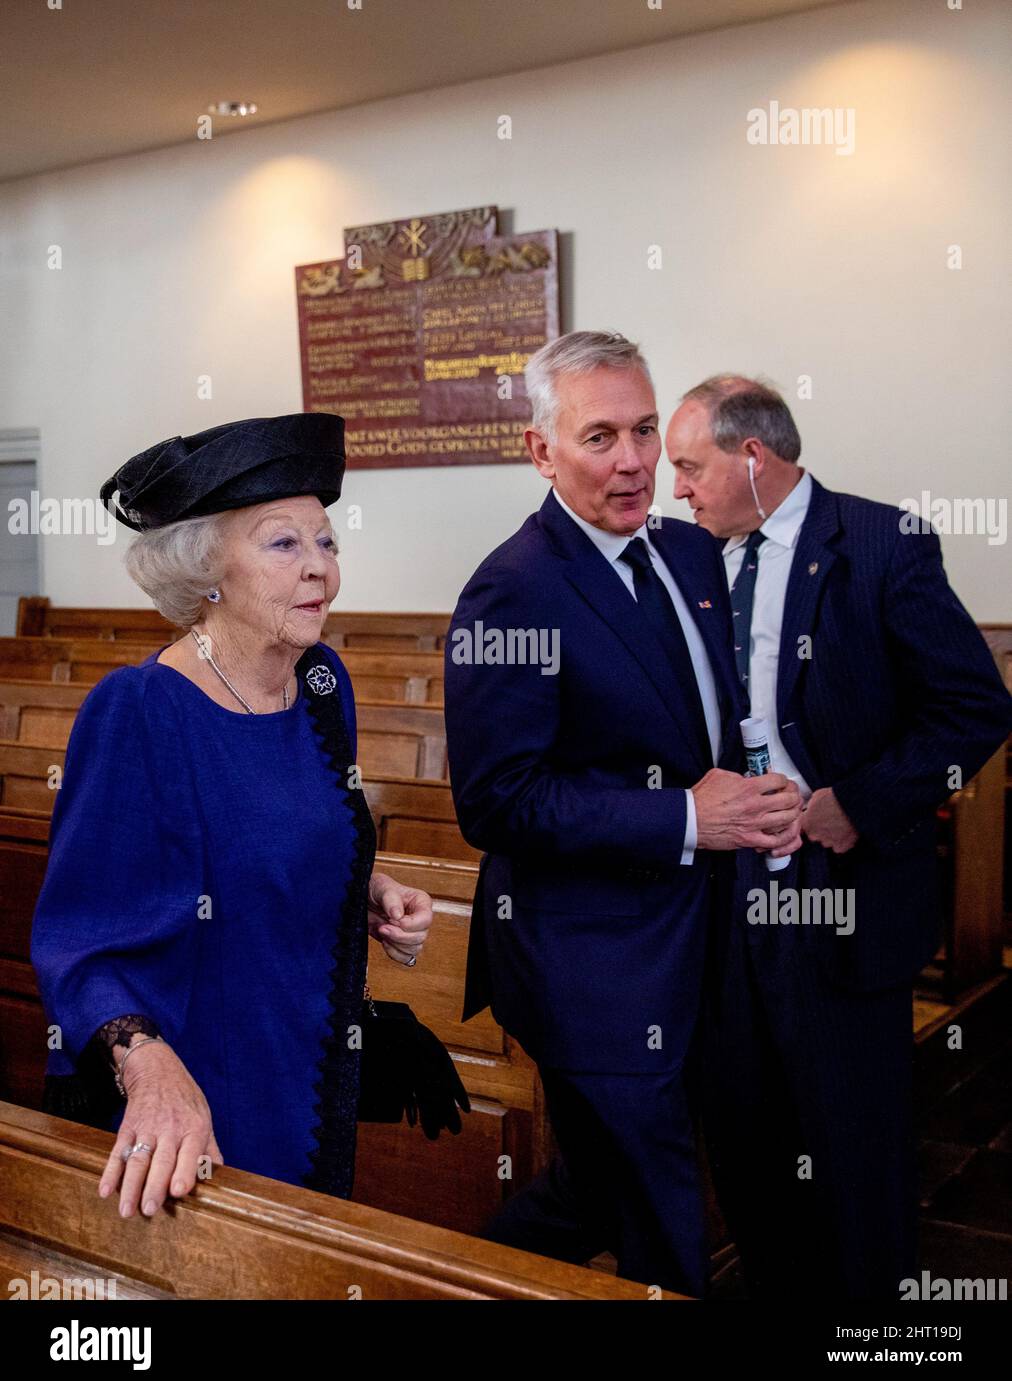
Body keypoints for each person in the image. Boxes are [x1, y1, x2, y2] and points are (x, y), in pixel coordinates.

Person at [443, 332, 802, 1296]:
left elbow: (702, 727)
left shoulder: (688, 548)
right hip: (591, 964)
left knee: (601, 1193)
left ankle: (456, 1281)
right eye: (600, 436)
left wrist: (764, 792)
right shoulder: (511, 588)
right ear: (541, 451)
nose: (636, 459)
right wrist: (687, 818)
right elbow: (496, 798)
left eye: (645, 430)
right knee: (663, 1221)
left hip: (707, 940)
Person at [31, 412, 435, 1222]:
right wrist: (147, 1069)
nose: (319, 569)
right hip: (194, 1083)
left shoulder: (322, 685)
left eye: (327, 543)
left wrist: (365, 883)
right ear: (206, 569)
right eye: (284, 544)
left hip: (310, 1058)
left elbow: (275, 832)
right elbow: (78, 942)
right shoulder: (139, 711)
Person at [665, 376, 1012, 1298]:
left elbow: (975, 708)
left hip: (843, 895)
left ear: (752, 456)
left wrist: (856, 801)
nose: (677, 491)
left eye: (690, 468)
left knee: (855, 1150)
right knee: (745, 1134)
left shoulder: (880, 543)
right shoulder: (689, 558)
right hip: (721, 895)